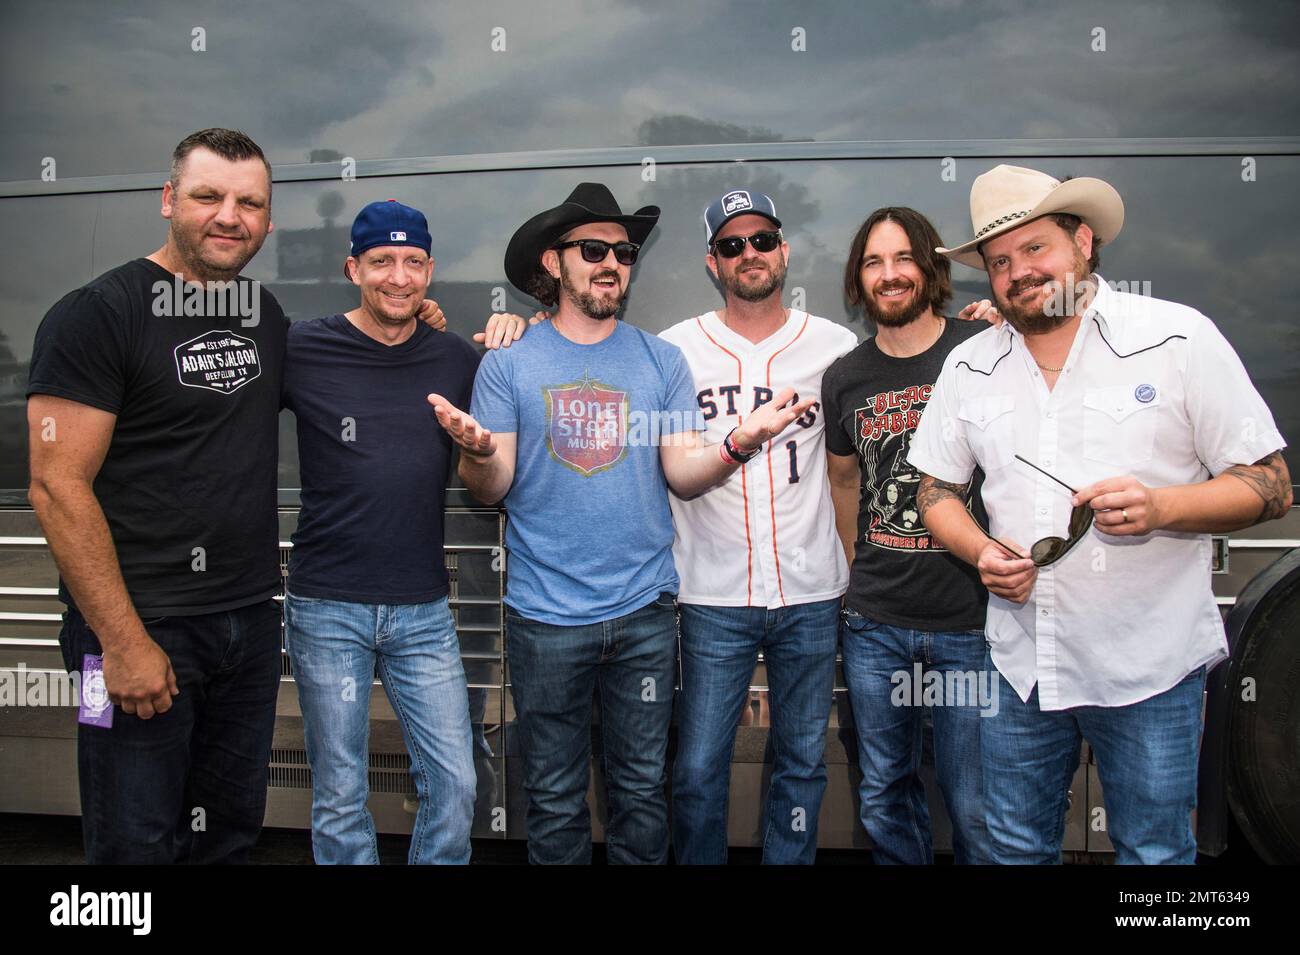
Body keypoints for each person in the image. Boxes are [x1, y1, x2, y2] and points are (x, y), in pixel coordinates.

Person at [909, 164, 1292, 864]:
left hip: (1149, 667)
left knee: (1152, 853)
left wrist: (1162, 506)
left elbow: (1271, 484)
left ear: (1082, 239)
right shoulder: (968, 367)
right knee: (1013, 849)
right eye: (999, 261)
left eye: (1034, 248)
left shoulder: (1178, 338)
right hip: (1020, 665)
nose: (1017, 272)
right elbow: (933, 491)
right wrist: (981, 552)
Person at [427, 183, 812, 864]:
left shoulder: (660, 361)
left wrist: (739, 440)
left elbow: (682, 471)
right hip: (545, 618)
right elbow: (491, 489)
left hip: (643, 615)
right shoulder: (508, 365)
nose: (612, 263)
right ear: (554, 263)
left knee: (640, 792)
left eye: (624, 252)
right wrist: (476, 452)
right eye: (594, 249)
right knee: (552, 796)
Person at [26, 128, 288, 863]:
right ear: (170, 199)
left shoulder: (260, 314)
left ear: (268, 219)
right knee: (129, 843)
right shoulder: (96, 314)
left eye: (250, 202)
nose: (229, 216)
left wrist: (425, 321)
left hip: (246, 625)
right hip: (125, 629)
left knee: (230, 834)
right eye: (208, 196)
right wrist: (120, 641)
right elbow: (54, 484)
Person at [658, 189, 857, 865]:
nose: (749, 253)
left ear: (784, 250)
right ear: (712, 261)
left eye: (761, 240)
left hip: (810, 590)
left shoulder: (835, 344)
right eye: (731, 244)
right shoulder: (675, 350)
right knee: (697, 769)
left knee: (801, 762)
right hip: (713, 593)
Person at [282, 200, 481, 864]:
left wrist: (522, 323)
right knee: (340, 793)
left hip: (423, 607)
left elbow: (521, 397)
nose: (399, 276)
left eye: (413, 262)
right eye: (381, 261)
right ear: (353, 267)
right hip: (327, 605)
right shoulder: (302, 346)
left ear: (430, 269)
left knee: (454, 783)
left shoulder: (455, 356)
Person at [823, 206, 997, 865]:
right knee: (883, 794)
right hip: (876, 625)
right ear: (858, 278)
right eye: (874, 261)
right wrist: (853, 571)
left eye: (903, 258)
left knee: (974, 800)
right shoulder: (846, 376)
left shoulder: (979, 352)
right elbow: (843, 481)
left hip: (970, 623)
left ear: (930, 268)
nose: (890, 274)